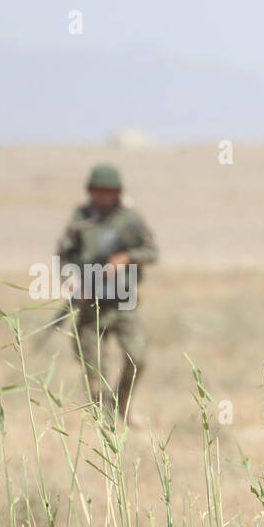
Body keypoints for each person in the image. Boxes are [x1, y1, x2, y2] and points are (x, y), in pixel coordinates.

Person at [55, 163, 158, 424]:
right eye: (97, 191)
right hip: (91, 306)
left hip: (124, 301)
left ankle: (121, 406)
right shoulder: (81, 220)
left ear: (117, 192)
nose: (102, 197)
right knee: (93, 370)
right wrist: (71, 284)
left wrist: (127, 257)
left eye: (107, 191)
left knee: (137, 358)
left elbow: (151, 251)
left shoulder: (130, 219)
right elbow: (65, 256)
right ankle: (105, 422)